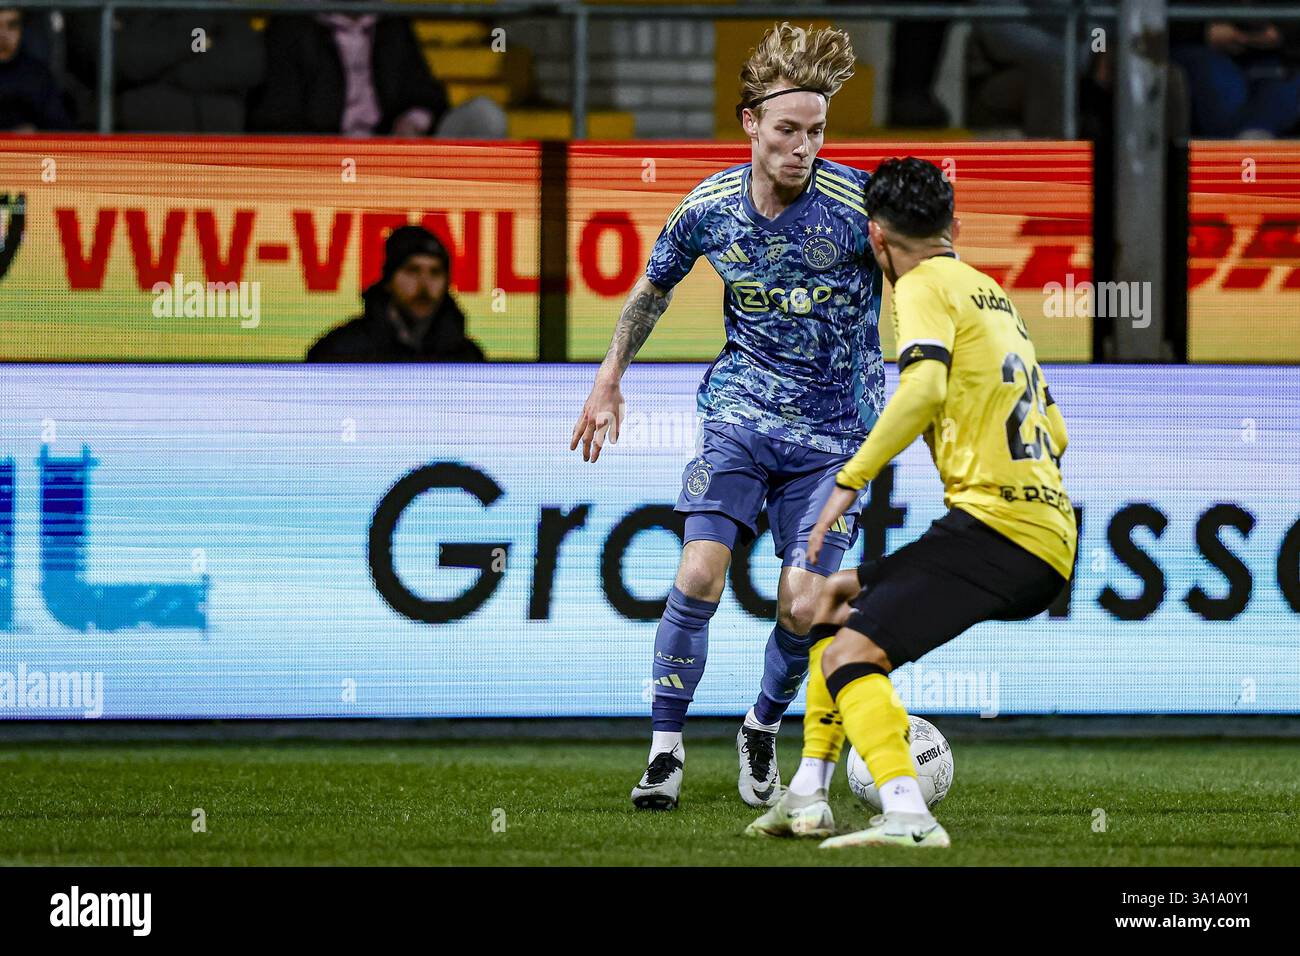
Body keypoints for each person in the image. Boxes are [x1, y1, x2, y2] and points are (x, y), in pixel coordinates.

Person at [570, 22, 885, 811]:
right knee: (699, 571)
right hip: (739, 415)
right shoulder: (709, 208)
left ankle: (760, 726)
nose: (802, 147)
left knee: (805, 602)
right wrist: (609, 379)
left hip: (837, 435)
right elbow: (652, 287)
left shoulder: (858, 207)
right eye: (786, 130)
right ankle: (665, 752)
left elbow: (926, 270)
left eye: (815, 131)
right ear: (751, 123)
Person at [746, 157, 1076, 848]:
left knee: (848, 657)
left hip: (999, 531)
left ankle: (907, 813)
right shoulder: (993, 295)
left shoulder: (921, 285)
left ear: (876, 238)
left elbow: (923, 389)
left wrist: (848, 481)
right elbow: (1060, 432)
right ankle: (806, 795)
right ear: (955, 226)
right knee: (828, 606)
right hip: (1039, 528)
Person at [307, 224, 485, 362]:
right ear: (388, 281)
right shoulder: (341, 351)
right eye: (412, 270)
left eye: (435, 272)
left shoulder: (466, 357)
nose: (424, 284)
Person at [0, 7, 70, 131]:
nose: (3, 35)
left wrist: (34, 133)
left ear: (21, 30)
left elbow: (60, 128)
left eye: (12, 26)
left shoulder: (37, 75)